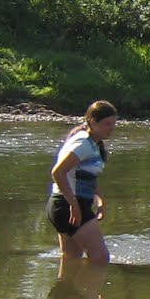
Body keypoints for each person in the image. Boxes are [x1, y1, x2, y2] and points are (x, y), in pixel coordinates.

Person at [48, 100, 118, 263]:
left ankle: (67, 288)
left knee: (72, 260)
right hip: (69, 206)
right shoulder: (83, 143)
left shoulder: (92, 143)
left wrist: (101, 201)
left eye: (113, 124)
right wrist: (74, 205)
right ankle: (93, 288)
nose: (112, 129)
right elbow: (58, 173)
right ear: (93, 122)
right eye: (107, 124)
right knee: (101, 258)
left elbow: (87, 177)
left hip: (63, 206)